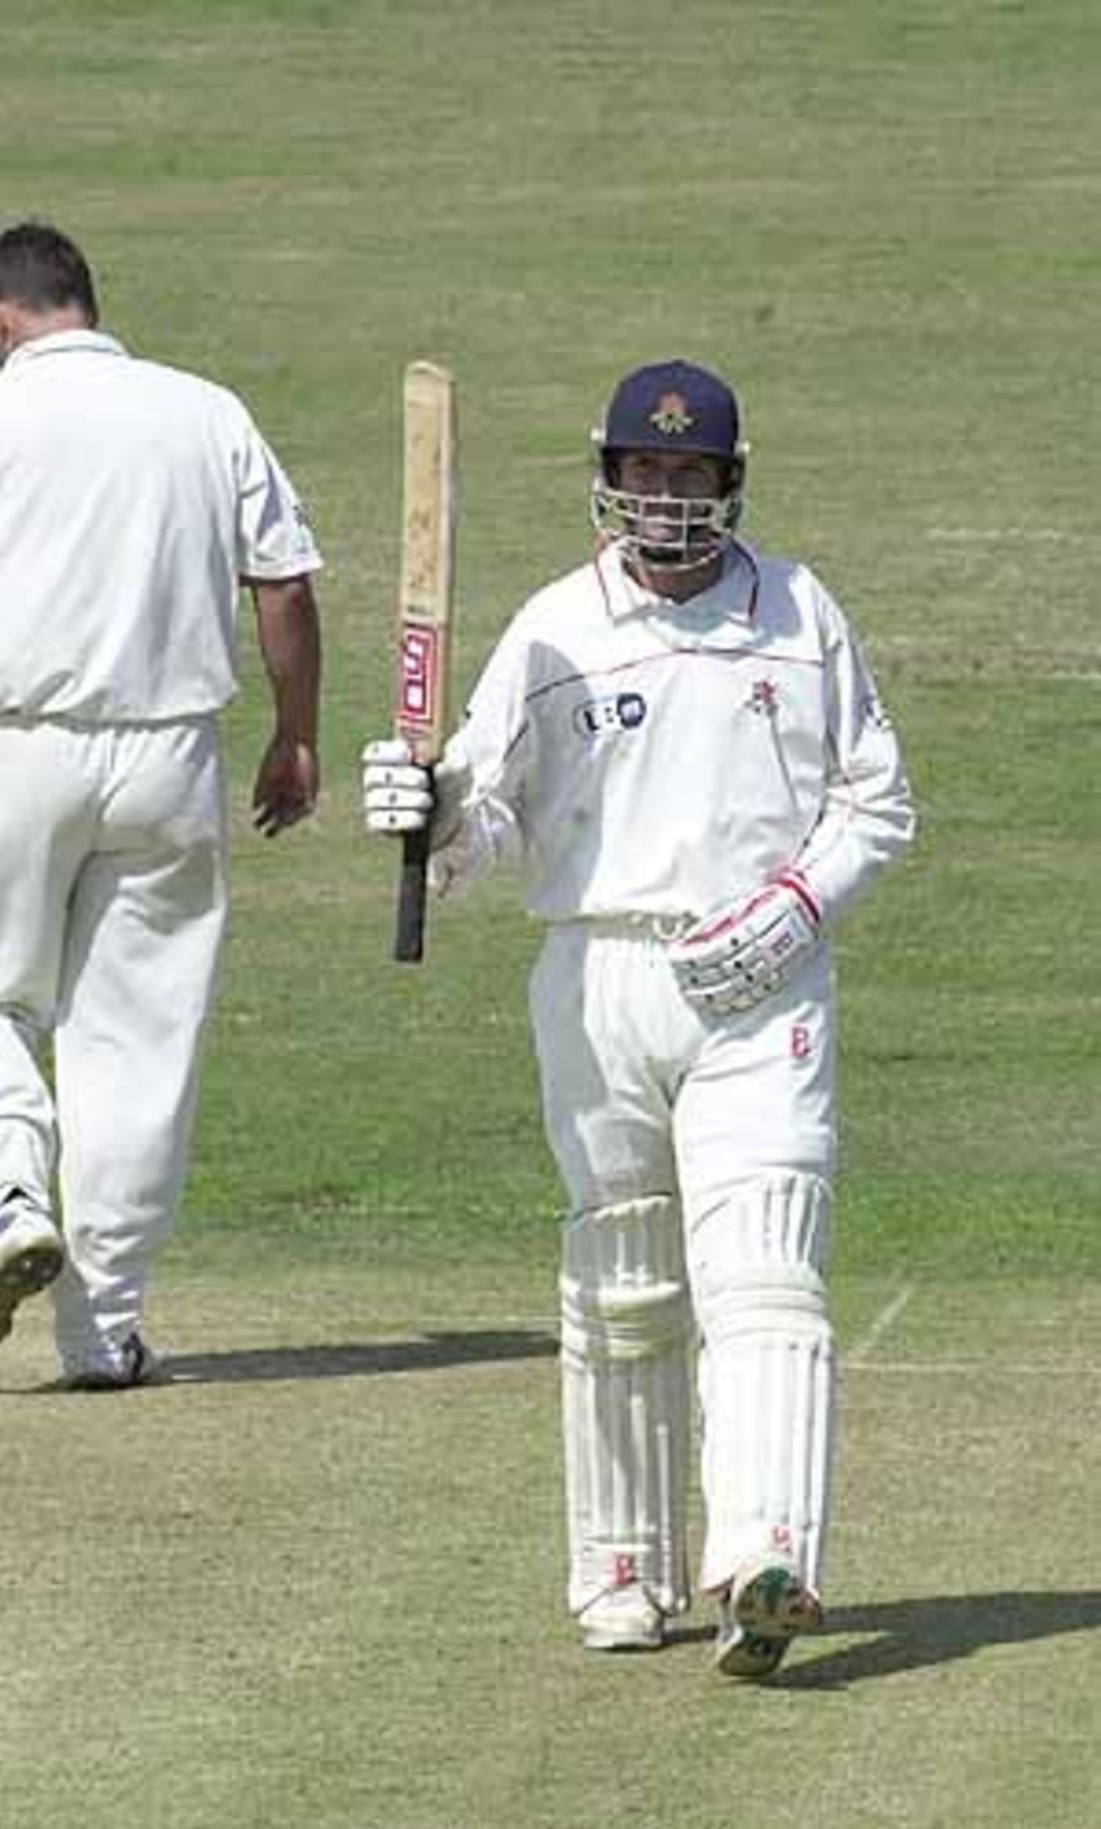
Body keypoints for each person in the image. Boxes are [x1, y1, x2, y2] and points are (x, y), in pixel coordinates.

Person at [362, 359, 914, 1678]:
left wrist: (796, 906)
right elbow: (489, 817)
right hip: (599, 971)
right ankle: (622, 1563)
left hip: (761, 982)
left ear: (730, 482)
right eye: (646, 471)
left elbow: (876, 799)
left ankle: (767, 1556)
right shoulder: (555, 628)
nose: (667, 497)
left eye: (691, 473)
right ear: (610, 479)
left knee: (765, 1263)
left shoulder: (800, 612)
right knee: (621, 1277)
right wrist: (429, 811)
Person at [0, 221, 323, 1389]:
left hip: (17, 751)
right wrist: (295, 734)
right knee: (136, 1037)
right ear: (84, 301)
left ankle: (5, 1204)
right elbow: (284, 588)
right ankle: (101, 1327)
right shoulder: (206, 412)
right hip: (171, 756)